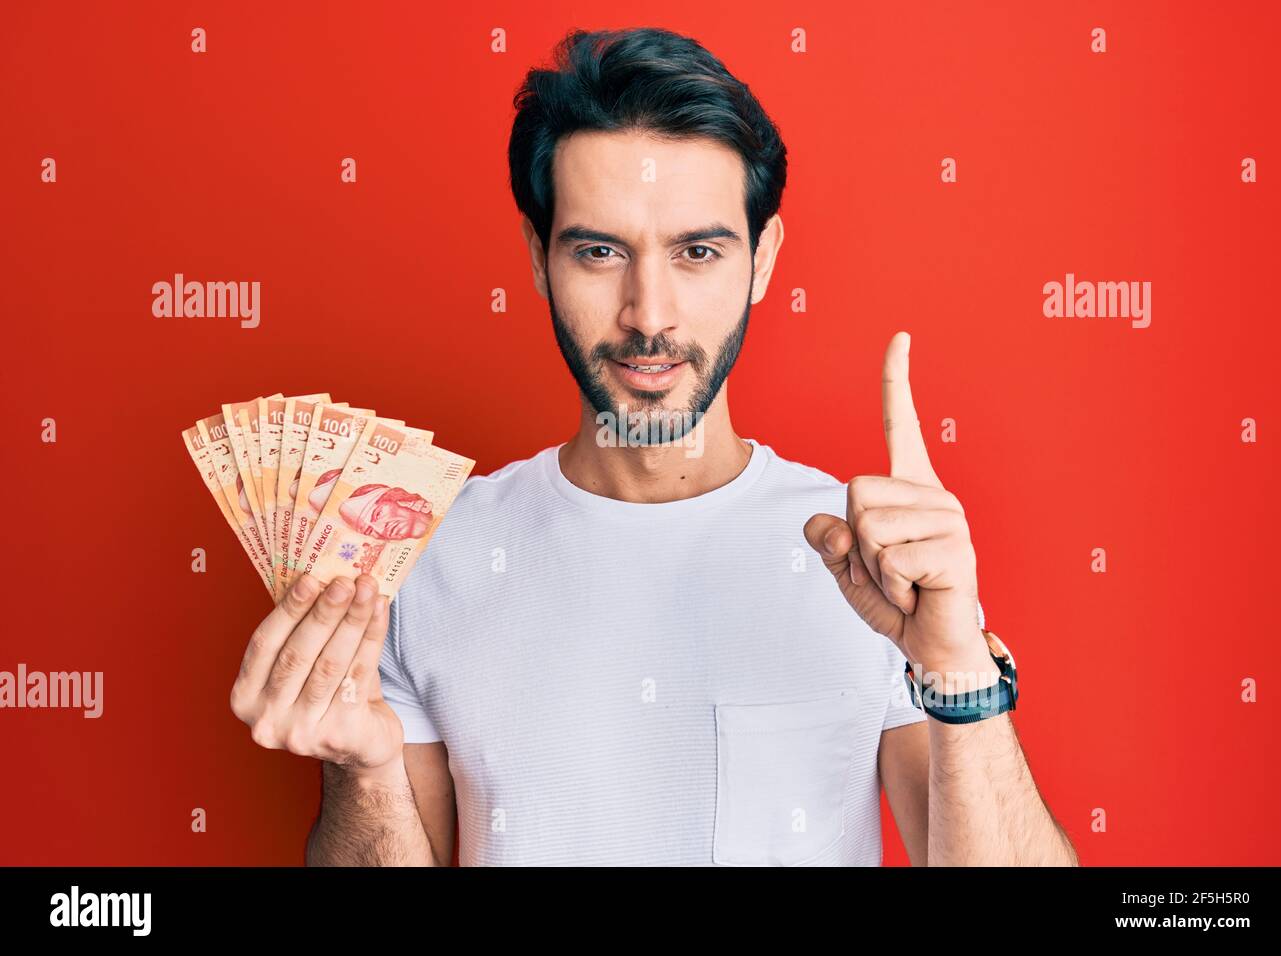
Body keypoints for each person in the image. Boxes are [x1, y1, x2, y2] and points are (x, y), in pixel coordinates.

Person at [229, 27, 1078, 867]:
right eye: (599, 252)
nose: (650, 314)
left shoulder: (868, 565)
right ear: (537, 259)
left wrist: (960, 667)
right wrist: (363, 772)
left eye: (697, 252)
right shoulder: (427, 556)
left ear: (762, 260)